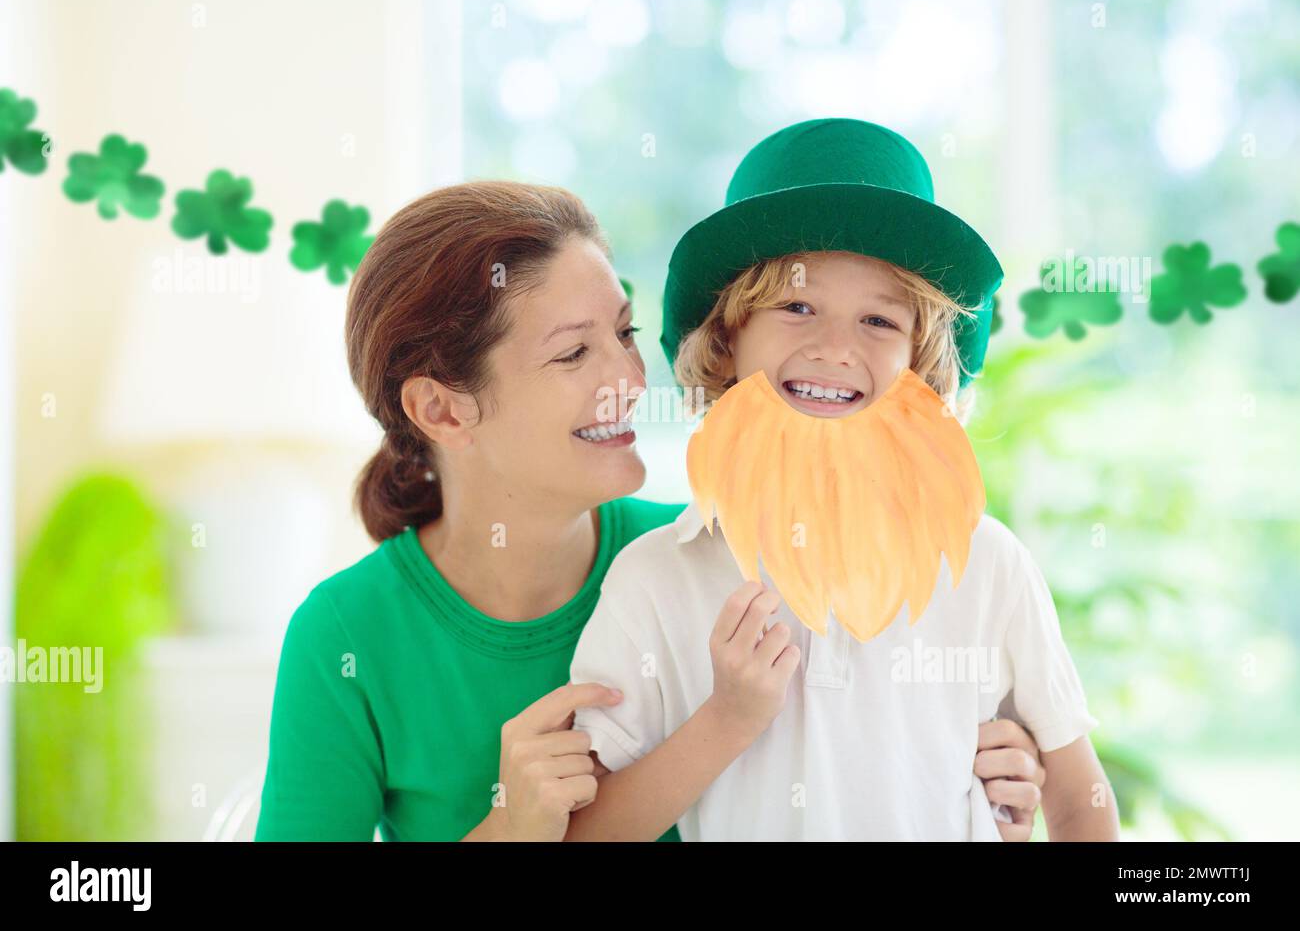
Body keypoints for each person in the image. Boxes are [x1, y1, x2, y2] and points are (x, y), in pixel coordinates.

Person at [254, 177, 1048, 841]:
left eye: (625, 332)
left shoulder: (721, 553)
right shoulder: (345, 638)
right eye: (573, 353)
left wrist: (987, 783)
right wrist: (511, 829)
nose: (631, 379)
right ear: (444, 410)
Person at [566, 119, 1117, 840]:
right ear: (727, 340)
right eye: (795, 306)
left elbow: (1080, 800)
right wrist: (725, 719)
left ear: (921, 362)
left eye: (880, 321)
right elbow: (585, 831)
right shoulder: (658, 578)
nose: (834, 347)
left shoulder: (988, 566)